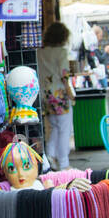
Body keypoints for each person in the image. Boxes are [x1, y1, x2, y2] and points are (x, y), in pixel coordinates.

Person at [37, 21, 77, 171]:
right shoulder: (61, 52)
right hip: (60, 95)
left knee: (53, 127)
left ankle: (50, 157)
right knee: (64, 129)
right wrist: (71, 93)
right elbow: (64, 75)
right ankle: (64, 163)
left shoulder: (40, 52)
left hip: (46, 95)